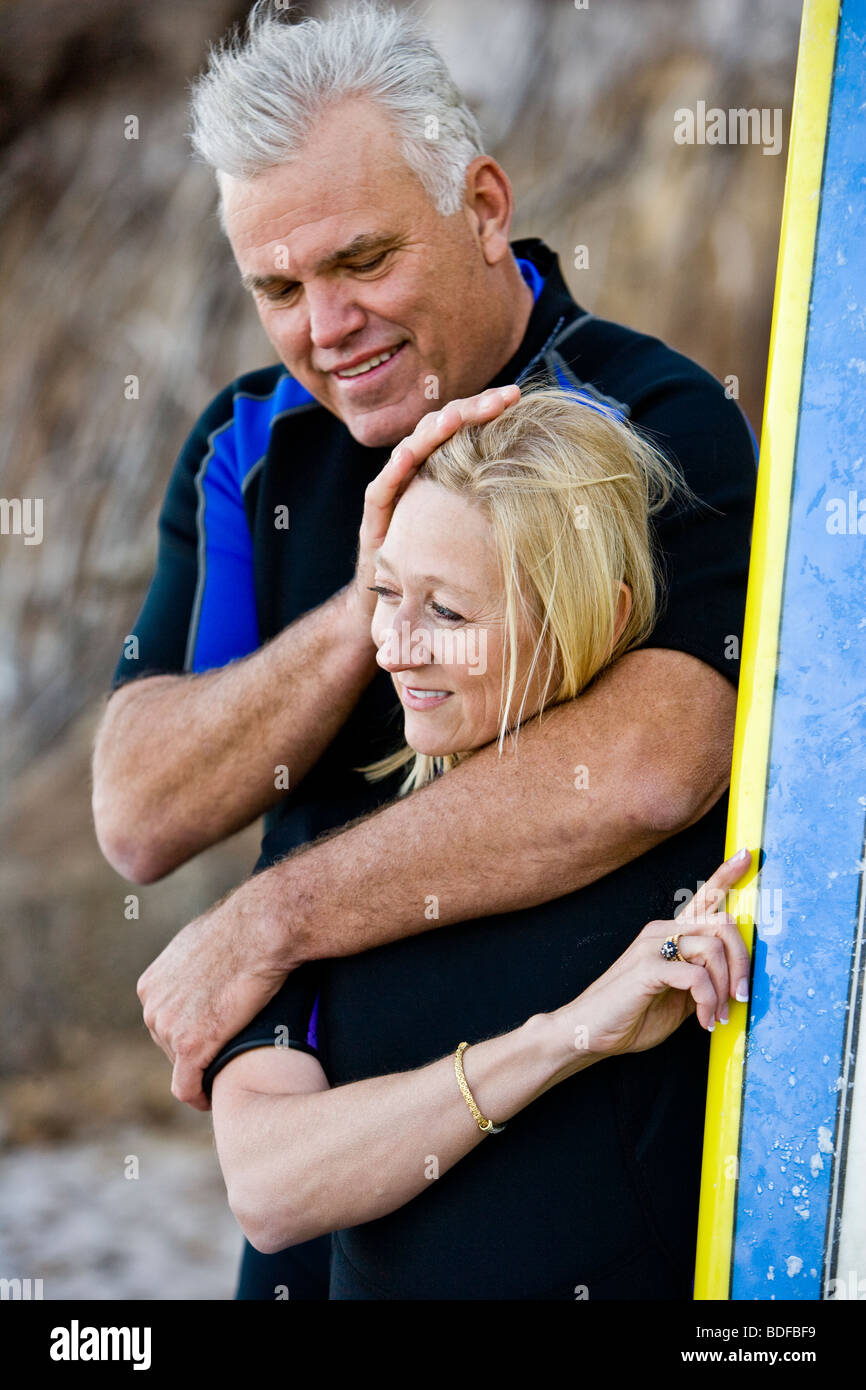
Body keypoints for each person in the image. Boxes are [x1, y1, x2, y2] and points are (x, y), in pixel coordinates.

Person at [90, 2, 756, 1298]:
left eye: (362, 260)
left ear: (482, 206)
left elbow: (659, 758)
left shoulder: (651, 414)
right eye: (279, 289)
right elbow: (139, 811)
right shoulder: (249, 445)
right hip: (318, 1207)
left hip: (578, 1207)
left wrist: (272, 919)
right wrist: (365, 604)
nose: (325, 324)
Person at [203, 385, 754, 1300]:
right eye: (386, 592)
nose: (393, 647)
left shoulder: (703, 852)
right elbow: (272, 1186)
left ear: (598, 615)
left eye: (448, 615)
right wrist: (567, 1038)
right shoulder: (326, 833)